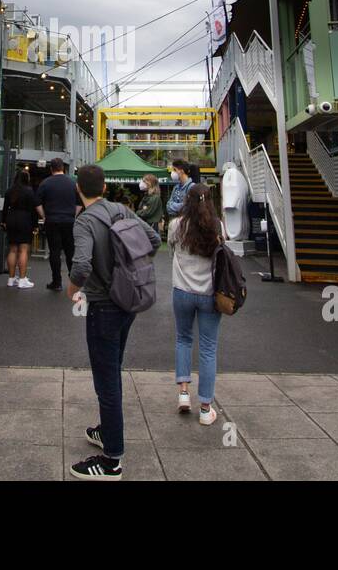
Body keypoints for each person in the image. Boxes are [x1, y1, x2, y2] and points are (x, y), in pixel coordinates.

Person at [67, 164, 161, 481]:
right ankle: (107, 431)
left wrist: (72, 288)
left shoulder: (84, 222)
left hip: (104, 306)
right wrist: (129, 269)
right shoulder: (120, 210)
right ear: (105, 187)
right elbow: (153, 239)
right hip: (128, 303)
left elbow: (81, 264)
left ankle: (112, 461)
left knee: (106, 382)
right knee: (113, 370)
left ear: (78, 189)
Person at [169, 183, 224, 424]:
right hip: (209, 294)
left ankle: (183, 394)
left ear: (186, 202)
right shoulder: (217, 226)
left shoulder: (176, 226)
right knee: (208, 348)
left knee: (183, 339)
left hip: (182, 290)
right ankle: (205, 408)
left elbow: (172, 247)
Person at [36, 158, 80, 291]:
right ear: (63, 168)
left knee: (54, 252)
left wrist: (44, 216)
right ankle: (74, 282)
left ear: (51, 169)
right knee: (70, 252)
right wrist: (74, 215)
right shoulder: (73, 183)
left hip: (52, 221)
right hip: (69, 221)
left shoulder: (45, 183)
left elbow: (37, 203)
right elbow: (79, 203)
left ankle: (57, 282)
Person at [1, 170, 39, 289]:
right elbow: (33, 210)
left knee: (12, 249)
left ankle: (11, 279)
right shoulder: (29, 191)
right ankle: (22, 279)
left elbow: (5, 208)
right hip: (25, 220)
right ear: (26, 179)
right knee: (23, 250)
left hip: (11, 219)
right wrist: (35, 225)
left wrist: (3, 221)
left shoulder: (9, 191)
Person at [135, 173, 164, 237]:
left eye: (144, 181)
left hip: (152, 226)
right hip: (146, 225)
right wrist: (142, 210)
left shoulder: (155, 197)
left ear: (150, 183)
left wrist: (138, 212)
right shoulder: (146, 196)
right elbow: (141, 209)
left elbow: (147, 212)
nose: (142, 183)